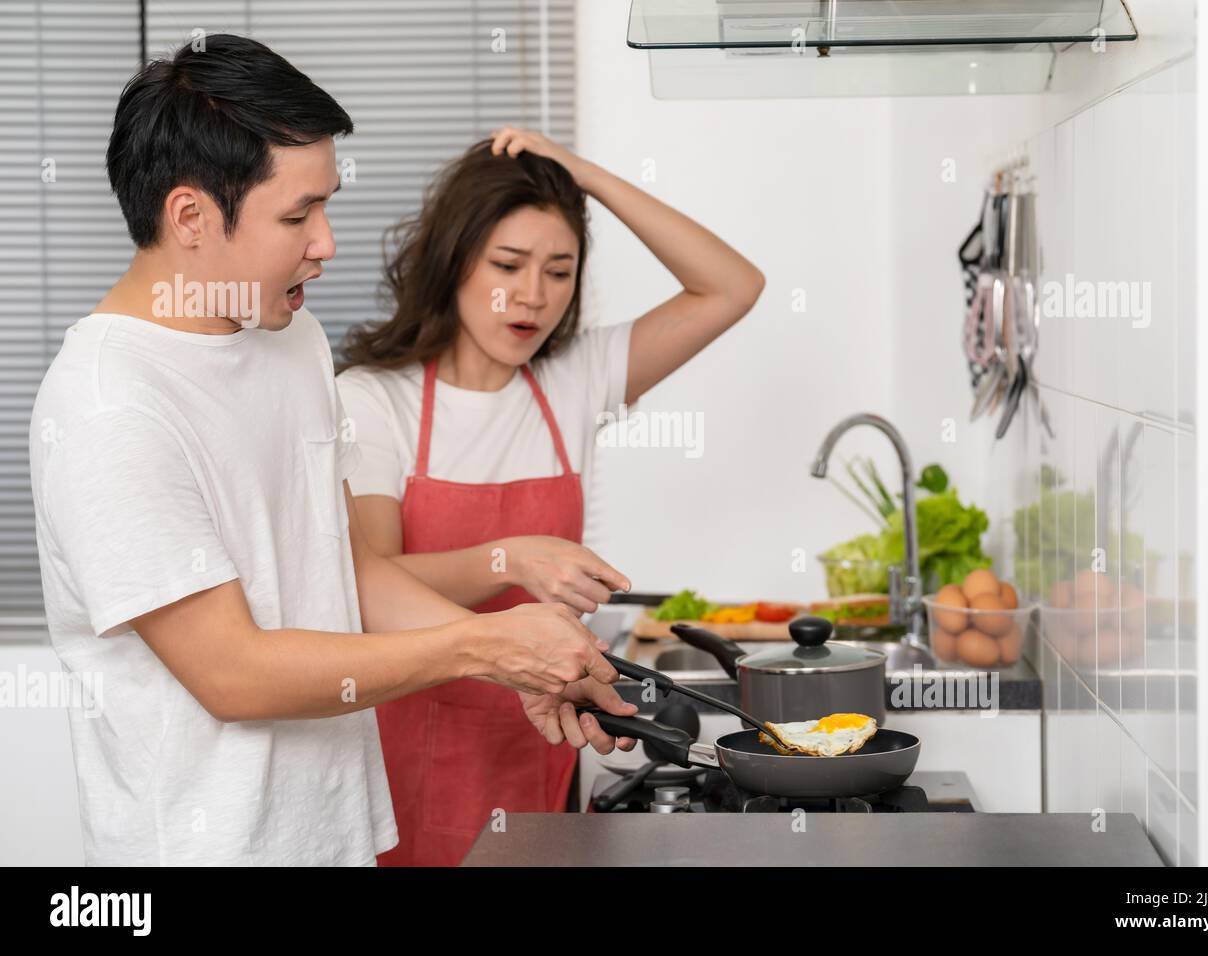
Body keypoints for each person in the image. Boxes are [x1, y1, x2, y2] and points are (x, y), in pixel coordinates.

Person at [27, 34, 635, 867]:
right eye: (296, 215)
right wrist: (482, 645)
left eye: (327, 204)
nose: (327, 242)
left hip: (336, 837)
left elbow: (344, 569)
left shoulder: (290, 338)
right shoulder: (110, 405)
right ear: (191, 217)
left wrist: (521, 660)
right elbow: (233, 675)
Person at [335, 129, 765, 865]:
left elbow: (733, 285)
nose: (532, 296)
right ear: (454, 260)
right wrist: (511, 560)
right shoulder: (375, 400)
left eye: (559, 270)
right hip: (409, 744)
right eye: (508, 264)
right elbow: (367, 576)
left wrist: (581, 176)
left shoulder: (573, 379)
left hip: (545, 736)